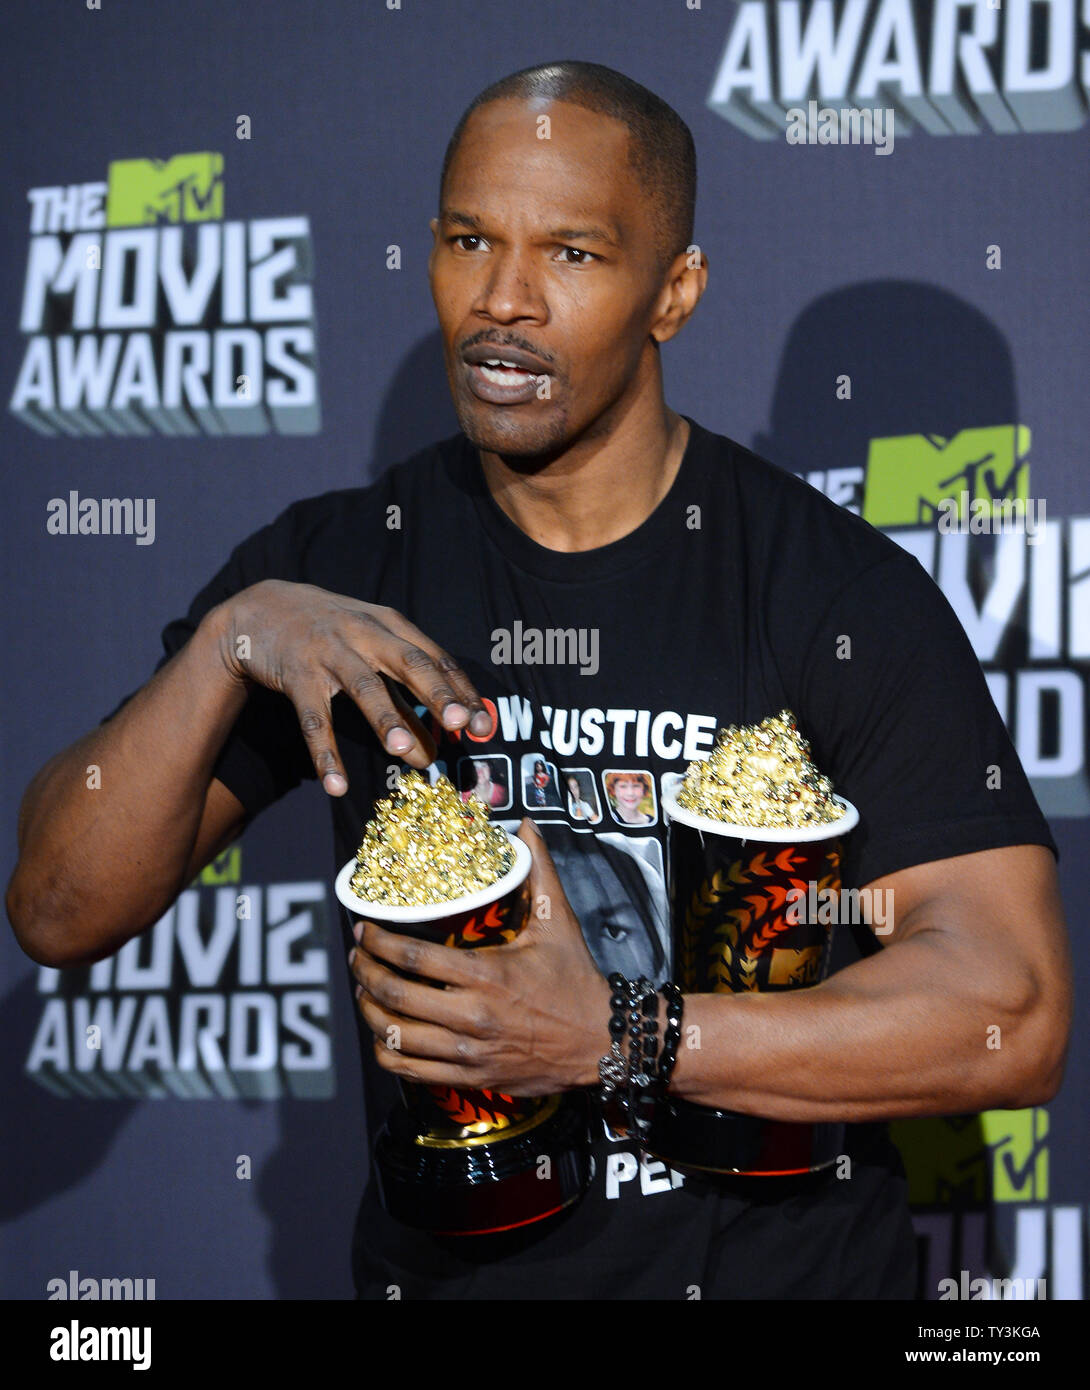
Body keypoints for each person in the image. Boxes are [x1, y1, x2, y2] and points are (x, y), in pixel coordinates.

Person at [7, 61, 1071, 1302]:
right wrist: (222, 644)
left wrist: (615, 1034)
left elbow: (1012, 1009)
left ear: (673, 292)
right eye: (471, 240)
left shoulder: (832, 593)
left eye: (571, 255)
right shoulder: (336, 571)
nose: (501, 301)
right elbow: (59, 906)